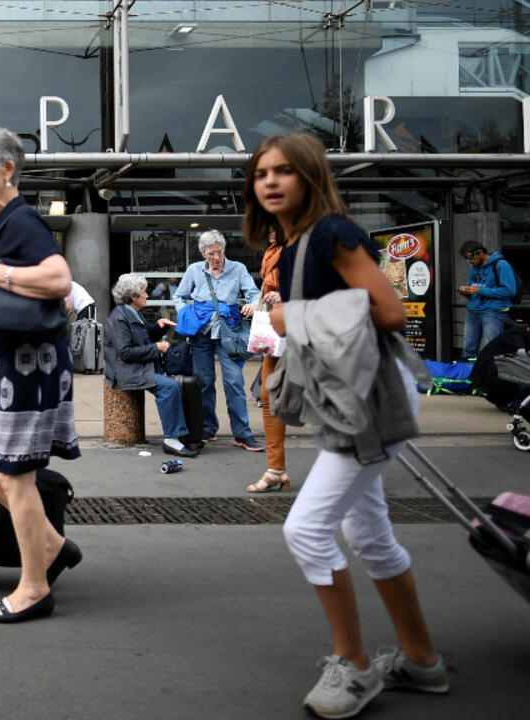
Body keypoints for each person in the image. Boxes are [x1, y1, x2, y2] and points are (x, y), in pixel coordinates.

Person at [248, 132, 446, 719]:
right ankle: (422, 661)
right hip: (351, 396)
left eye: (284, 171)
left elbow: (389, 310)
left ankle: (355, 664)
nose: (270, 182)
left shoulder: (333, 233)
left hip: (371, 398)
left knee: (306, 530)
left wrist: (293, 316)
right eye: (261, 173)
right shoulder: (296, 243)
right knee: (369, 535)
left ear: (310, 176)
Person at [0, 127, 81, 624]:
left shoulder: (21, 219)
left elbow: (59, 279)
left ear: (6, 168)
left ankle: (34, 588)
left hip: (31, 366)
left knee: (13, 473)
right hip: (6, 366)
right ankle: (52, 545)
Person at [173, 230, 265, 451]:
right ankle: (207, 428)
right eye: (211, 254)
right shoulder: (194, 270)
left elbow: (253, 293)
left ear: (224, 249)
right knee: (204, 384)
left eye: (219, 252)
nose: (216, 257)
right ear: (203, 254)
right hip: (201, 333)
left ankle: (242, 434)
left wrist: (253, 304)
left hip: (229, 333)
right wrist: (186, 314)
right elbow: (179, 296)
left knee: (234, 382)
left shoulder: (238, 269)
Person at [103, 274, 198, 458]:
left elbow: (145, 336)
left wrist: (160, 327)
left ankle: (181, 435)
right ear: (133, 297)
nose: (147, 295)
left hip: (139, 366)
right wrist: (156, 348)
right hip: (126, 371)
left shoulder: (132, 312)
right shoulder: (119, 318)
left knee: (177, 384)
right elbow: (125, 353)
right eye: (144, 292)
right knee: (169, 388)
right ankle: (172, 439)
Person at [248, 230, 292, 492]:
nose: (269, 232)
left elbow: (321, 289)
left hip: (304, 330)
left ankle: (353, 465)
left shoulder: (302, 247)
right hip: (276, 331)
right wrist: (260, 308)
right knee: (268, 395)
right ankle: (276, 469)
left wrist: (285, 298)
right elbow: (267, 288)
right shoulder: (271, 253)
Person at [457, 240, 518, 359]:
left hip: (494, 311)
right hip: (473, 310)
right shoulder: (473, 266)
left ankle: (491, 370)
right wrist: (466, 292)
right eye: (465, 258)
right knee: (469, 347)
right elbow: (473, 287)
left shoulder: (501, 264)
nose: (468, 261)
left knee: (492, 348)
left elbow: (510, 291)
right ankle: (470, 369)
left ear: (479, 252)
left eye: (469, 257)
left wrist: (479, 290)